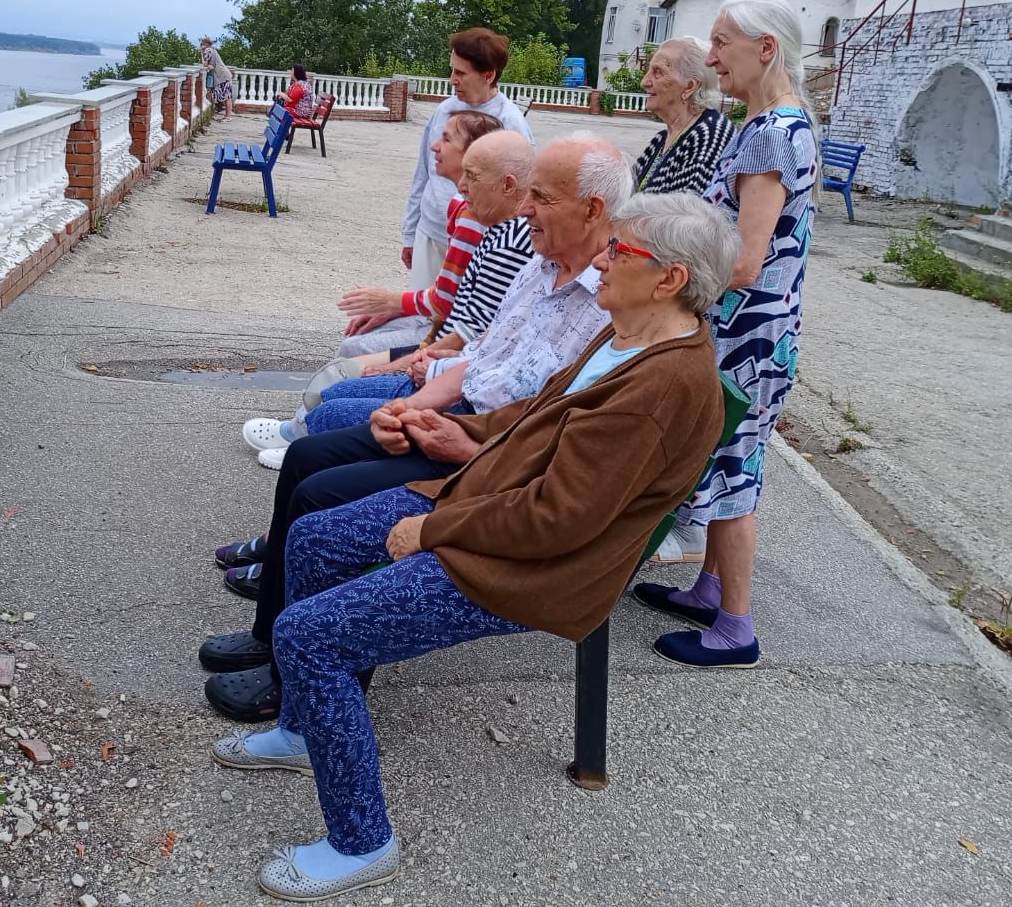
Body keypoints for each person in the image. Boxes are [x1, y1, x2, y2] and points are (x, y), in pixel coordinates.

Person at [210, 192, 739, 901]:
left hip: (533, 566)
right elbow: (541, 413)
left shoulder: (661, 385)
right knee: (310, 538)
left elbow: (558, 522)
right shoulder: (628, 332)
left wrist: (432, 529)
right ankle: (306, 731)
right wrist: (463, 434)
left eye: (621, 251)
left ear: (670, 278)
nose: (603, 260)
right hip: (491, 506)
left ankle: (362, 842)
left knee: (309, 636)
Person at [202, 136, 629, 719]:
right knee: (305, 458)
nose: (525, 207)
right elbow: (479, 360)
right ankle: (270, 631)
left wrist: (465, 440)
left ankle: (291, 679)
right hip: (455, 422)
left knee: (319, 495)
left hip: (489, 455)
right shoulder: (542, 264)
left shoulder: (613, 304)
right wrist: (412, 408)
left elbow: (557, 430)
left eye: (541, 197)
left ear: (593, 210)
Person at [634, 0, 820, 669]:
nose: (710, 59)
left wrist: (674, 295)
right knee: (725, 460)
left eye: (721, 45)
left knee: (735, 473)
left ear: (764, 48)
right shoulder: (771, 123)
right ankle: (710, 588)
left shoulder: (771, 132)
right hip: (760, 334)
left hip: (748, 337)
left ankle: (735, 627)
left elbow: (744, 260)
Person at [238, 130, 536, 473]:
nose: (463, 184)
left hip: (457, 378)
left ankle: (305, 441)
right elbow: (463, 317)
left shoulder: (510, 239)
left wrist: (409, 351)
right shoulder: (496, 226)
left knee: (344, 382)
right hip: (446, 360)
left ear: (508, 185)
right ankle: (301, 436)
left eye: (472, 175)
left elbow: (469, 330)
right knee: (347, 371)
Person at [634, 35, 735, 565]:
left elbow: (688, 224)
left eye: (659, 71)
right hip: (648, 284)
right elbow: (629, 202)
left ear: (691, 85)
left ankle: (690, 524)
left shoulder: (711, 137)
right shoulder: (663, 139)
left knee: (681, 409)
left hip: (681, 290)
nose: (647, 81)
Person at [330, 112, 508, 359]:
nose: (435, 146)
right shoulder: (462, 204)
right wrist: (393, 307)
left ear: (472, 154)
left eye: (446, 140)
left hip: (452, 335)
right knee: (364, 335)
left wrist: (390, 302)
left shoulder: (473, 215)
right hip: (447, 324)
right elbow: (448, 290)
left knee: (354, 348)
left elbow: (446, 302)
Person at [401, 29, 533, 290]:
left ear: (488, 75)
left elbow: (520, 195)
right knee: (423, 321)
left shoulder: (511, 124)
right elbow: (423, 173)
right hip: (432, 232)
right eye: (452, 70)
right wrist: (411, 232)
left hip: (477, 243)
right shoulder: (444, 110)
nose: (452, 79)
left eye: (461, 73)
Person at [200, 37, 236, 112]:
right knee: (225, 97)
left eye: (202, 43)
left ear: (205, 44)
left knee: (226, 97)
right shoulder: (212, 50)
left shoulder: (208, 50)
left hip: (222, 76)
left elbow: (205, 63)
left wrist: (201, 52)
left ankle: (228, 117)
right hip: (224, 75)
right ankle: (227, 116)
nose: (201, 44)